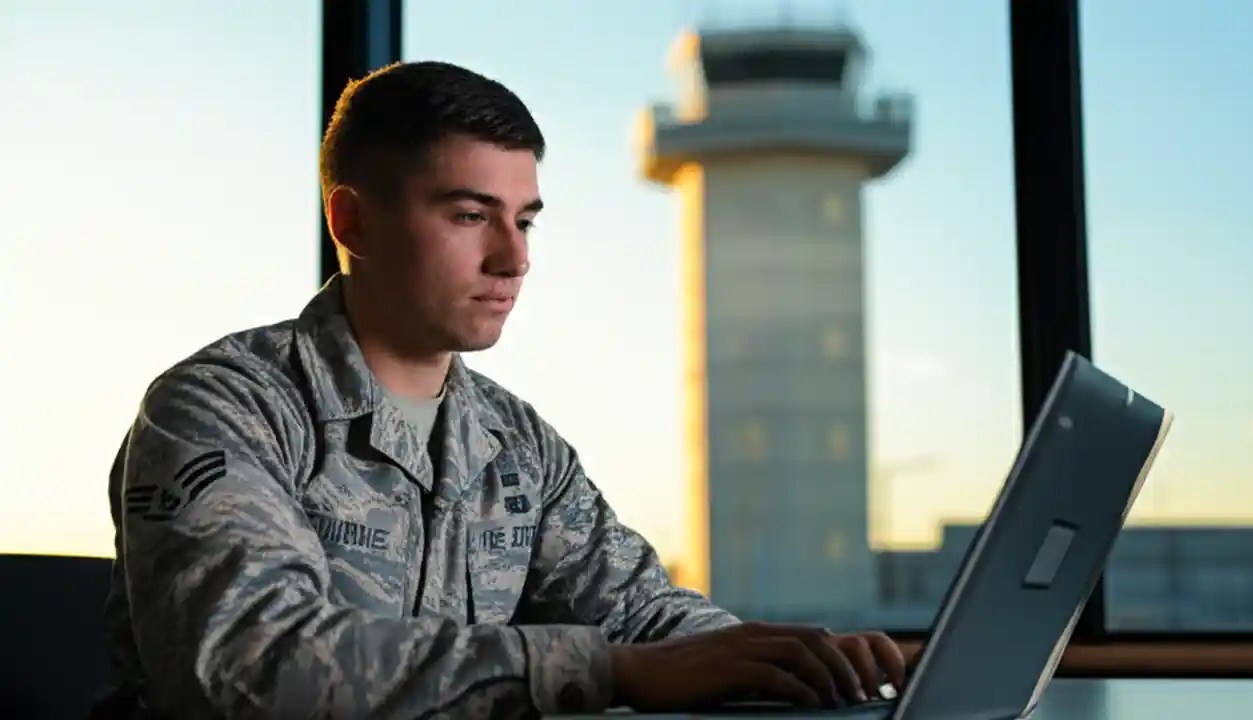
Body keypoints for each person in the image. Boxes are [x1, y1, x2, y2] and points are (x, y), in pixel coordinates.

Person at [97, 60, 907, 719]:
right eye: (468, 215)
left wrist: (789, 665)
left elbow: (646, 616)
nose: (513, 260)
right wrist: (612, 673)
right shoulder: (221, 410)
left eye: (524, 220)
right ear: (352, 224)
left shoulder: (519, 448)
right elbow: (247, 668)